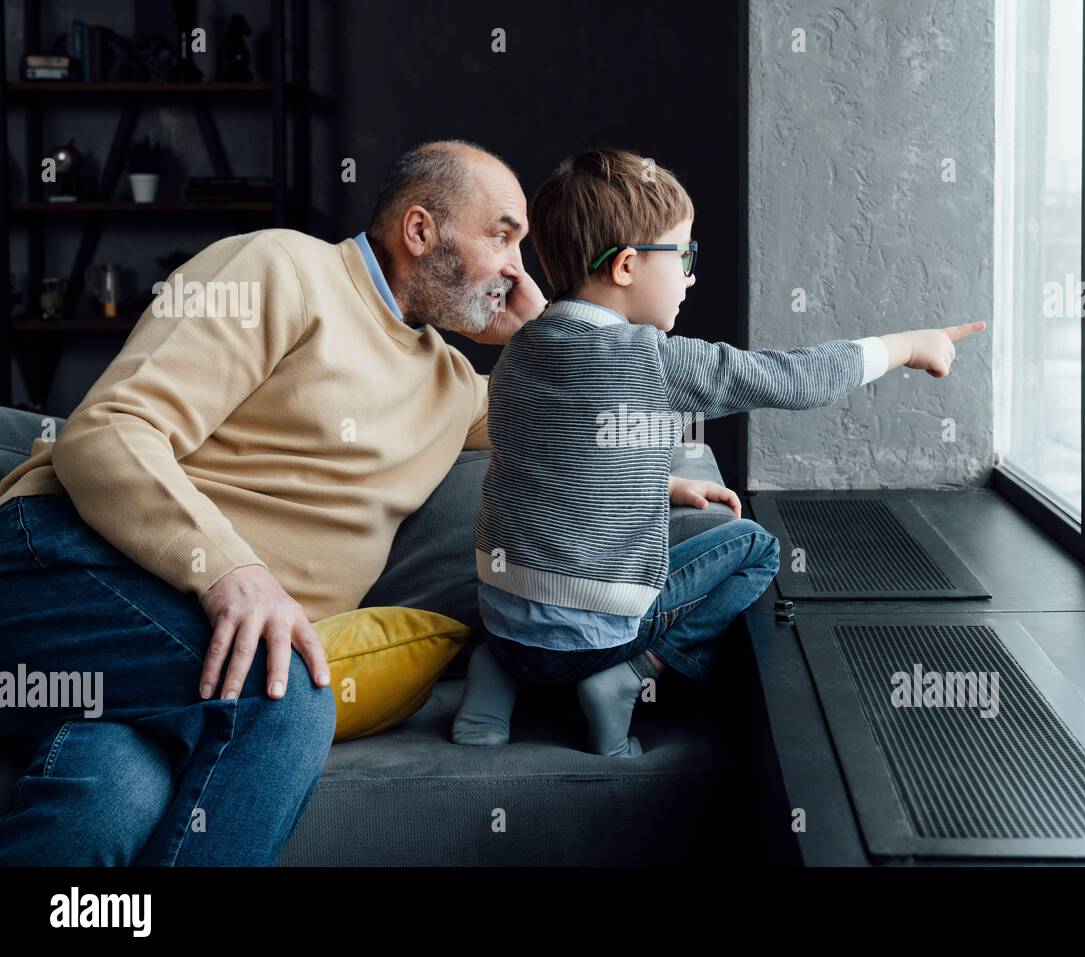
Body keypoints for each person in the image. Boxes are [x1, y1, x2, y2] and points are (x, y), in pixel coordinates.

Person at [0, 140, 549, 865]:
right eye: (503, 236)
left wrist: (546, 339)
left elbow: (559, 429)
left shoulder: (450, 383)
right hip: (61, 561)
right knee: (282, 691)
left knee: (107, 796)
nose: (517, 269)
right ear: (420, 232)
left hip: (166, 642)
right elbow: (105, 433)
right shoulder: (282, 268)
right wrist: (235, 571)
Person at [452, 147, 986, 757]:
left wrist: (669, 488)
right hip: (592, 639)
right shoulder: (652, 358)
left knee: (526, 603)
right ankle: (633, 675)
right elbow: (794, 379)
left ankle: (493, 682)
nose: (690, 275)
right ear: (627, 266)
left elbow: (561, 459)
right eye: (684, 256)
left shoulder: (519, 351)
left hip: (502, 620)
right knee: (755, 548)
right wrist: (910, 344)